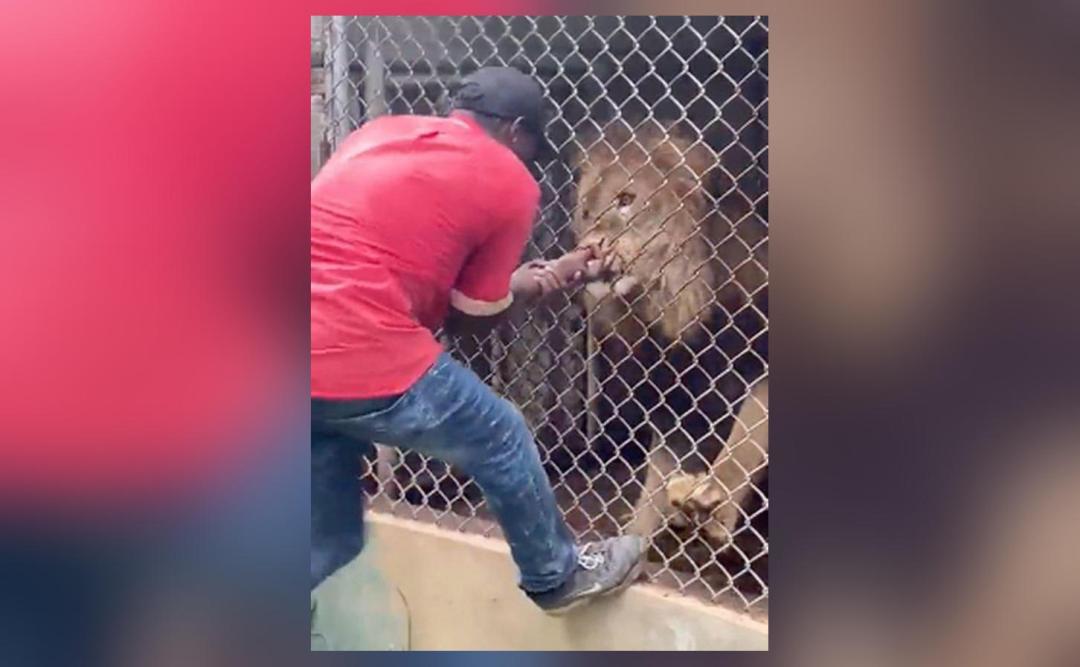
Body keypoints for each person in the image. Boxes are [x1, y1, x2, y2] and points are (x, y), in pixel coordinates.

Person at [310, 66, 644, 615]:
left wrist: (535, 276)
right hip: (362, 349)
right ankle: (556, 576)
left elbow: (395, 259)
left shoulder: (378, 134)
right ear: (516, 131)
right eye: (533, 145)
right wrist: (523, 292)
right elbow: (471, 322)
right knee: (500, 432)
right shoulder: (511, 179)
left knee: (331, 538)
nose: (530, 158)